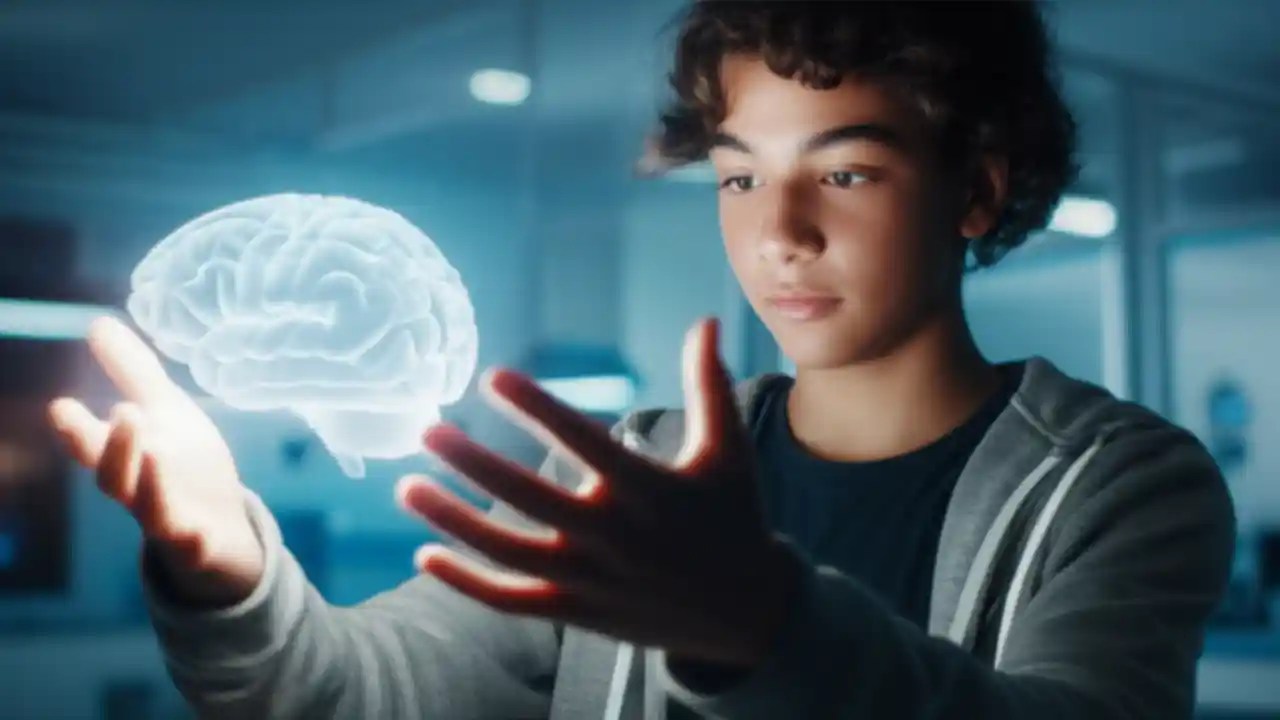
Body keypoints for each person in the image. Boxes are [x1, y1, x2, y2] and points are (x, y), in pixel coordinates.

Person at [47, 2, 1235, 718]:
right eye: (738, 175)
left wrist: (763, 628)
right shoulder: (627, 471)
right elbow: (358, 694)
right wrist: (228, 571)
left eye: (844, 172)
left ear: (973, 190)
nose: (778, 232)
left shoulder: (1121, 483)